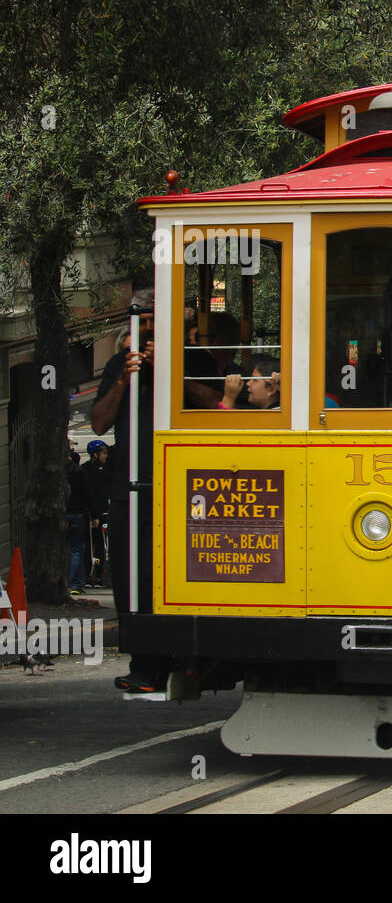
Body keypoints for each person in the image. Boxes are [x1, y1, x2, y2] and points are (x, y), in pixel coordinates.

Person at [92, 289, 167, 694]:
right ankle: (143, 663)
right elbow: (100, 422)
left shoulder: (186, 360)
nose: (149, 331)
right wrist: (124, 379)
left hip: (177, 489)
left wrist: (168, 369)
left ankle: (174, 658)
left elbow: (212, 403)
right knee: (131, 578)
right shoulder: (119, 365)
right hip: (129, 490)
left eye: (156, 323)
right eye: (143, 323)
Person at [83, 440, 112, 587]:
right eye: (103, 453)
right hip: (101, 510)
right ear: (95, 454)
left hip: (90, 511)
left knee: (90, 544)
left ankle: (89, 575)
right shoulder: (104, 470)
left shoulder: (85, 469)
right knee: (101, 544)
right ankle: (99, 576)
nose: (105, 456)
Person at [66, 444, 91, 596]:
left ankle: (61, 580)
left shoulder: (58, 472)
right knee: (76, 549)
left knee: (62, 548)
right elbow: (88, 493)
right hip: (78, 513)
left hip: (62, 513)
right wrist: (94, 514)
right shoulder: (79, 472)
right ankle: (75, 583)